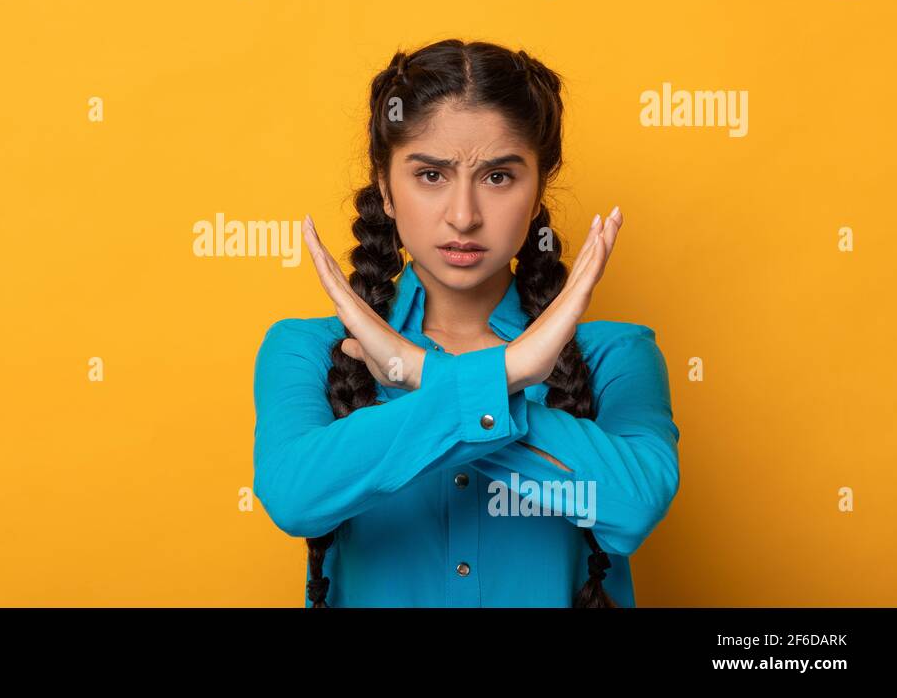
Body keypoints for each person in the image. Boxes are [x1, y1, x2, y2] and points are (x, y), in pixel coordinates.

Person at [251, 39, 680, 607]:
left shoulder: (617, 355)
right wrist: (510, 373)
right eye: (430, 175)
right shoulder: (307, 349)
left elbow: (634, 506)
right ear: (384, 186)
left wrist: (421, 376)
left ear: (539, 188)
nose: (463, 215)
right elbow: (295, 497)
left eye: (499, 177)